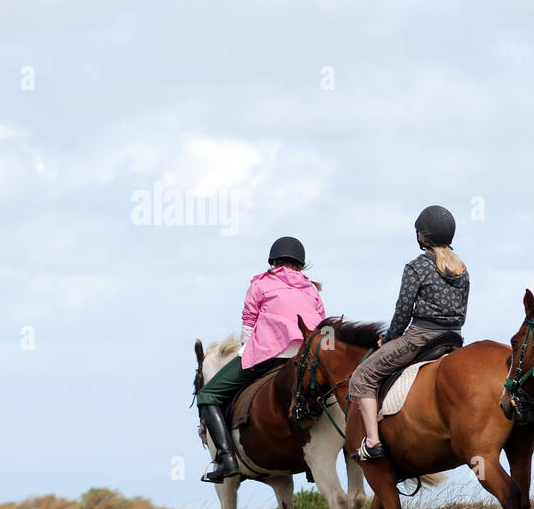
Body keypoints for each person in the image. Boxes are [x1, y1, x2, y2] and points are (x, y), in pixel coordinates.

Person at [196, 236, 326, 483]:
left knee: (208, 396)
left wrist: (247, 351)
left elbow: (248, 325)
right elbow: (319, 326)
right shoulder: (311, 288)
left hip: (269, 356)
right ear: (300, 264)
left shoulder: (261, 283)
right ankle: (313, 462)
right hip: (306, 358)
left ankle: (225, 460)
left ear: (274, 261)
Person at [349, 205, 469, 461]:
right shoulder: (462, 269)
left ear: (422, 237)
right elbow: (462, 313)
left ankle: (372, 442)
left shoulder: (416, 267)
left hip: (421, 338)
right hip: (454, 339)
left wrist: (389, 338)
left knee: (362, 376)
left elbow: (403, 311)